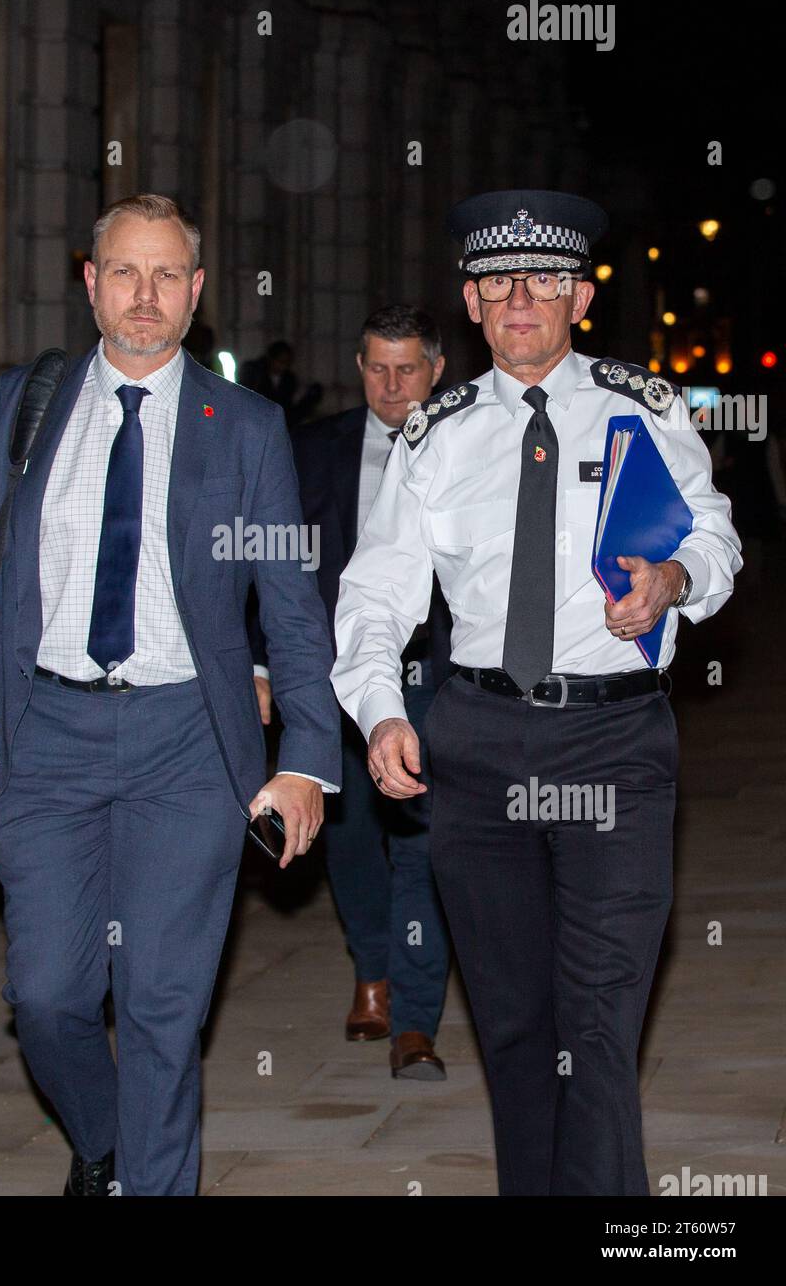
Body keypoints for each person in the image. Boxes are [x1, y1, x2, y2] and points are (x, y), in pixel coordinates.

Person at [0, 193, 341, 1197]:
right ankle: (104, 1141)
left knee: (160, 1003)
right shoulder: (26, 405)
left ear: (195, 294)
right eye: (123, 272)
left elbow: (290, 605)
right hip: (39, 735)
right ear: (90, 283)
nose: (144, 296)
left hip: (186, 740)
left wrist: (307, 759)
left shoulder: (244, 429)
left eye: (166, 275)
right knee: (50, 993)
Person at [331, 190, 741, 1195]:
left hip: (611, 744)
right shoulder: (433, 433)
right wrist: (381, 708)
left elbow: (713, 534)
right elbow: (376, 589)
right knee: (514, 1030)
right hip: (474, 740)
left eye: (545, 281)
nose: (521, 300)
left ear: (581, 296)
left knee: (597, 1023)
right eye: (497, 283)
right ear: (469, 304)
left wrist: (670, 581)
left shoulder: (642, 408)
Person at [258, 305, 454, 1078]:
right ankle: (370, 968)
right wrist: (263, 666)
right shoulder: (312, 451)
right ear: (359, 367)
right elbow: (271, 570)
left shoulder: (469, 446)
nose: (392, 384)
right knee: (348, 840)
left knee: (422, 842)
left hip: (437, 677)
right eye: (377, 367)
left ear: (436, 370)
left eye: (408, 368)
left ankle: (413, 1018)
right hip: (333, 679)